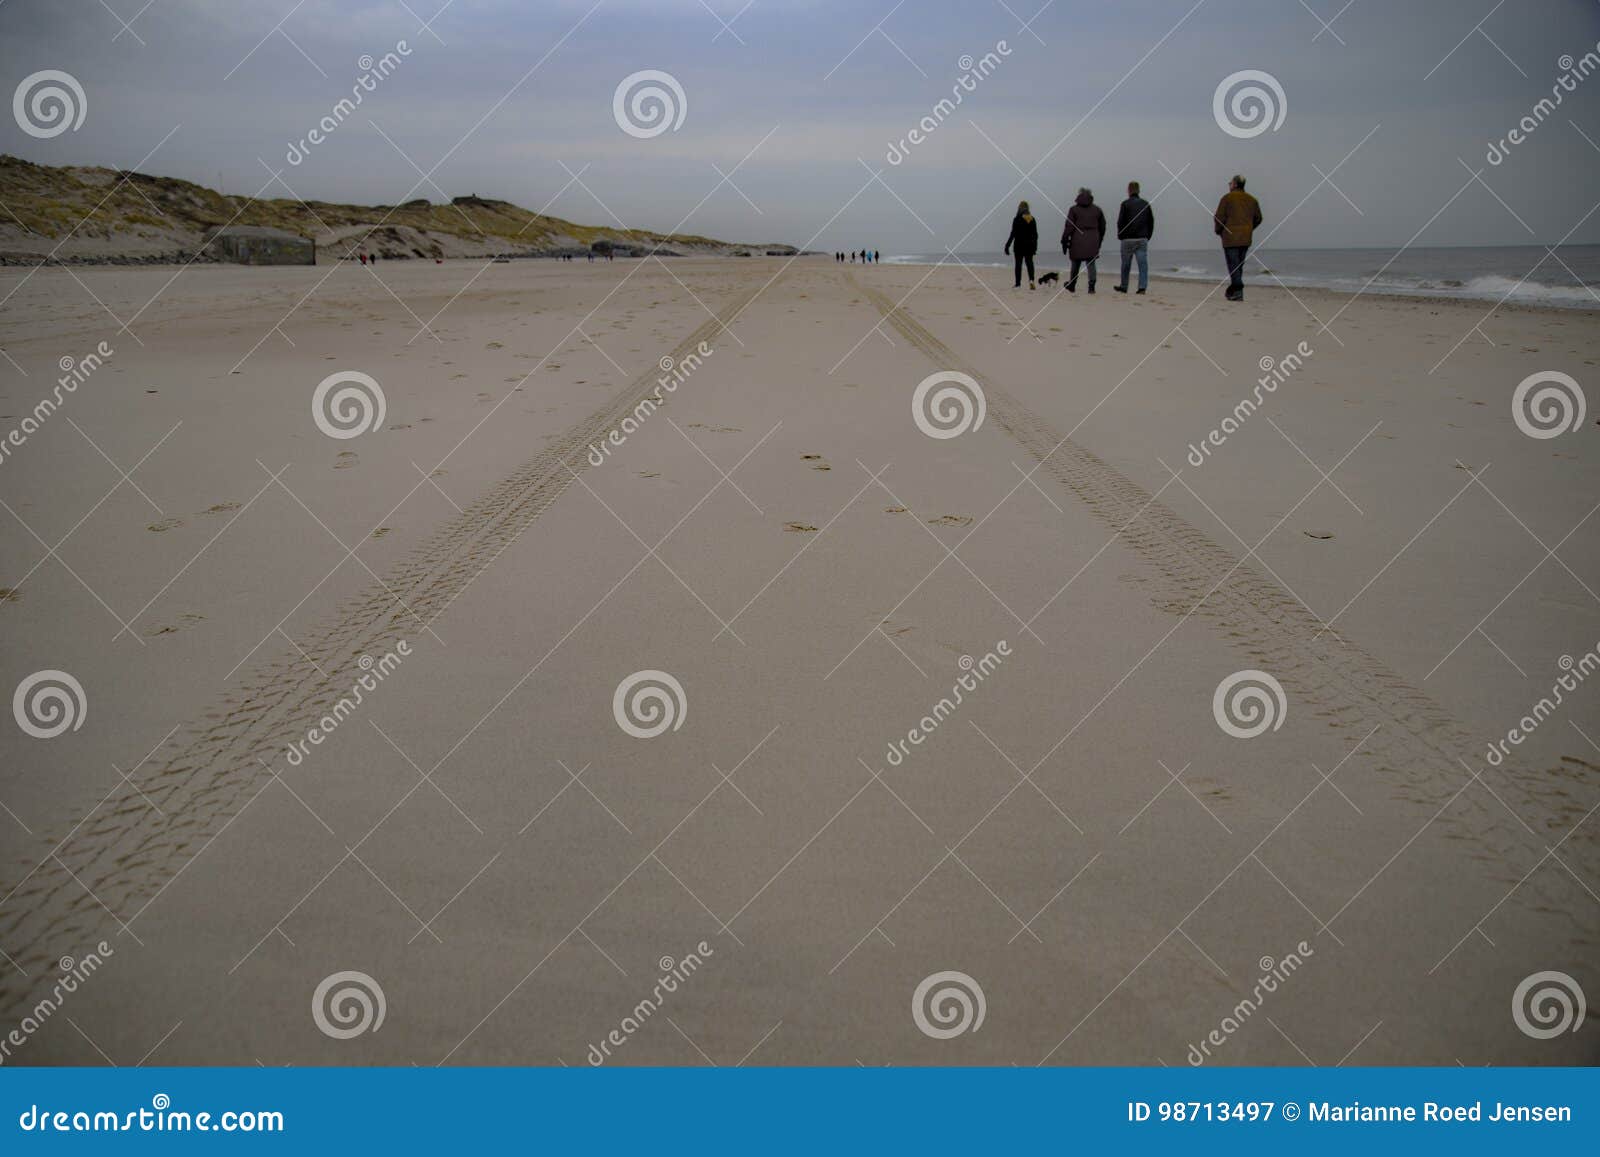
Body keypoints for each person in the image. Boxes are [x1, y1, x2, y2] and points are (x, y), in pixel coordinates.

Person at [1214, 174, 1262, 301]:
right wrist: (1249, 228)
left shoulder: (1227, 198)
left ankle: (1237, 287)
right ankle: (1237, 293)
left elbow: (1219, 217)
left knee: (1233, 265)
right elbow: (1258, 218)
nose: (1229, 185)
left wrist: (1219, 231)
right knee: (1238, 265)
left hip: (1230, 238)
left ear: (1235, 184)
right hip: (1245, 237)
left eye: (1230, 183)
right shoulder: (1252, 200)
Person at [1061, 188, 1106, 293]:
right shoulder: (1097, 210)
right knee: (1091, 263)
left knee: (1075, 263)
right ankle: (1091, 286)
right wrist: (1099, 239)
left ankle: (1072, 285)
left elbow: (1069, 227)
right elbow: (1103, 227)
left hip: (1077, 239)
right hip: (1093, 239)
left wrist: (1064, 240)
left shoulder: (1073, 210)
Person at [1114, 180, 1153, 295]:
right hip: (1141, 238)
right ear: (1139, 190)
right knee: (1143, 264)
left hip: (1127, 239)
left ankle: (1124, 286)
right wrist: (1148, 235)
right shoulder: (1146, 204)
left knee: (1125, 264)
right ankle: (1142, 287)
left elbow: (1120, 222)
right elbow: (1151, 222)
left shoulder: (1125, 204)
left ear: (1129, 190)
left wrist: (1120, 235)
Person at [1004, 200, 1039, 289]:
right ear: (1028, 209)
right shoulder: (1032, 219)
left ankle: (1018, 284)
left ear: (1019, 208)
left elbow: (1013, 233)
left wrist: (1007, 245)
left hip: (1019, 245)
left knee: (1018, 264)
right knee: (1029, 263)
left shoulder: (1017, 219)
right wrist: (1035, 247)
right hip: (1029, 246)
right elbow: (1035, 235)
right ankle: (1031, 280)